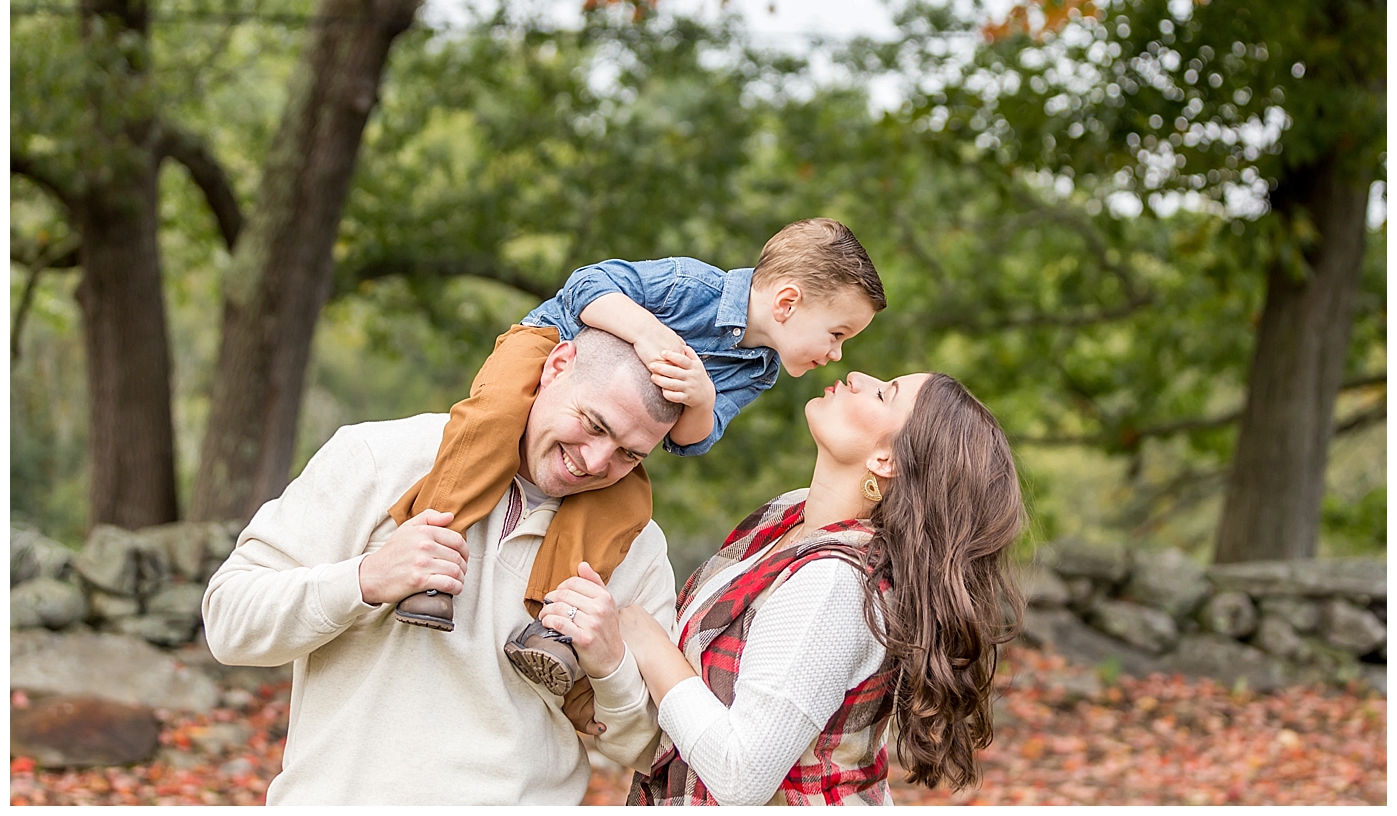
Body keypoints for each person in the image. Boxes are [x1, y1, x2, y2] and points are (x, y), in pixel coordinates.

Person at [388, 218, 887, 700]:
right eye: (837, 334)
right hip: (553, 348)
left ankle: (553, 624)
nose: (837, 354)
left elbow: (691, 440)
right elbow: (588, 285)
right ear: (787, 302)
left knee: (626, 503)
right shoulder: (692, 287)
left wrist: (702, 398)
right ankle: (432, 548)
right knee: (492, 421)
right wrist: (648, 336)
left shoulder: (760, 370)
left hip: (618, 428)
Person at [201, 329, 685, 806]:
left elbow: (646, 748)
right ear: (557, 367)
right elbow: (228, 621)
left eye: (629, 454)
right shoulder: (381, 456)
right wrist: (365, 579)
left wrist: (611, 666)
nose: (596, 461)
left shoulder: (638, 550)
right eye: (594, 424)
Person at [539, 371, 1026, 805]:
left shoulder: (834, 583)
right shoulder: (786, 519)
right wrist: (611, 672)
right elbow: (693, 703)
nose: (857, 376)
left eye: (884, 394)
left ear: (887, 459)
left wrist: (647, 642)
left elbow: (740, 778)